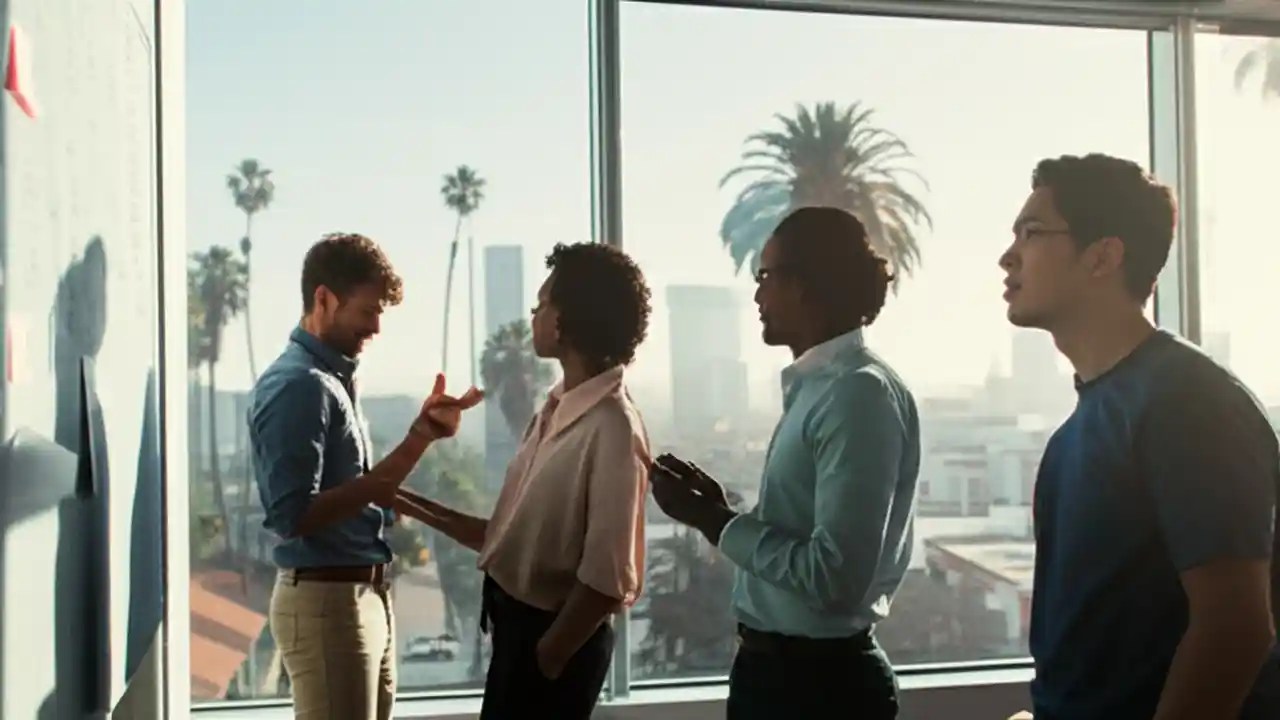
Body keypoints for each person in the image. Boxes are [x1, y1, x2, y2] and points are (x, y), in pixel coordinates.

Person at [1000, 154, 1279, 720]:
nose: (1008, 256)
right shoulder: (1077, 430)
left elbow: (1235, 627)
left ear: (1103, 256)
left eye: (1031, 233)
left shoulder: (1187, 403)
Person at [650, 206, 921, 720]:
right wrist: (720, 512)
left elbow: (833, 578)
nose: (756, 295)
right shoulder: (820, 389)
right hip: (780, 677)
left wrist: (715, 522)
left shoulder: (856, 394)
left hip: (817, 690)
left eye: (766, 277)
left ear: (807, 285)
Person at [395, 242, 653, 718]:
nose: (534, 315)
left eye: (541, 305)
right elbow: (506, 536)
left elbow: (608, 578)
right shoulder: (556, 409)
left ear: (564, 321)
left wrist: (548, 657)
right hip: (519, 638)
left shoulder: (612, 425)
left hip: (548, 646)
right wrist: (398, 497)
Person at [248, 232, 482, 720]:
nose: (376, 327)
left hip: (362, 597)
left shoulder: (333, 381)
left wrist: (418, 440)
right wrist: (417, 439)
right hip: (327, 606)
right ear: (323, 298)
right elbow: (290, 515)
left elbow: (359, 490)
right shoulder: (299, 386)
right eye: (367, 311)